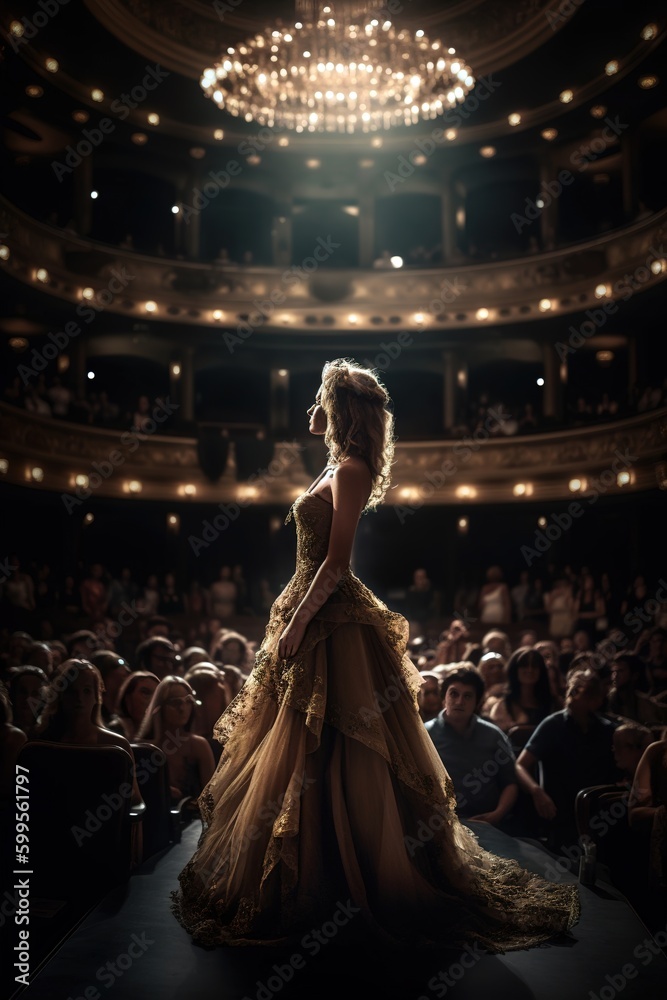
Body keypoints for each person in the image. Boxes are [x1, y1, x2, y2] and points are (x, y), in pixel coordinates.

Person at [171, 358, 580, 950]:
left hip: (330, 619)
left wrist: (298, 624)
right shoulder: (333, 466)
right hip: (308, 608)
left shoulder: (353, 469)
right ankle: (319, 870)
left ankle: (352, 878)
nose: (310, 407)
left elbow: (337, 564)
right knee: (300, 746)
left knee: (343, 748)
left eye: (319, 398)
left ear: (339, 411)